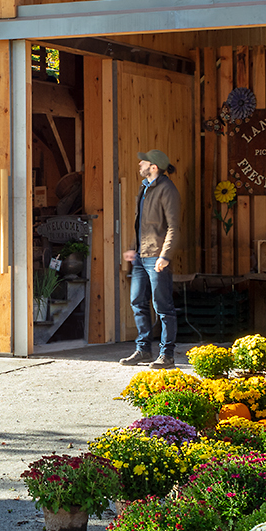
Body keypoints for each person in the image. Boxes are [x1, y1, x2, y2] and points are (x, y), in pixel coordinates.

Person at [118, 149, 181, 368]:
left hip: (156, 257)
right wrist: (132, 249)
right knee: (137, 302)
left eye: (143, 162)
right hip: (140, 257)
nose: (139, 165)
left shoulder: (167, 189)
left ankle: (167, 355)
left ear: (153, 166)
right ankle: (143, 350)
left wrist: (165, 256)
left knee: (163, 306)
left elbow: (173, 227)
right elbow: (140, 226)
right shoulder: (144, 188)